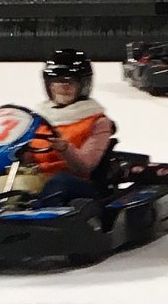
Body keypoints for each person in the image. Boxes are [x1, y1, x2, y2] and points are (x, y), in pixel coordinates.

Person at [33, 49, 116, 200]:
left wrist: (65, 149)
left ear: (83, 85)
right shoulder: (37, 118)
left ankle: (29, 219)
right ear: (49, 85)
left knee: (59, 183)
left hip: (79, 186)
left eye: (70, 81)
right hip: (38, 179)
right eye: (57, 81)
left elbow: (85, 166)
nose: (63, 87)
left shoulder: (97, 121)